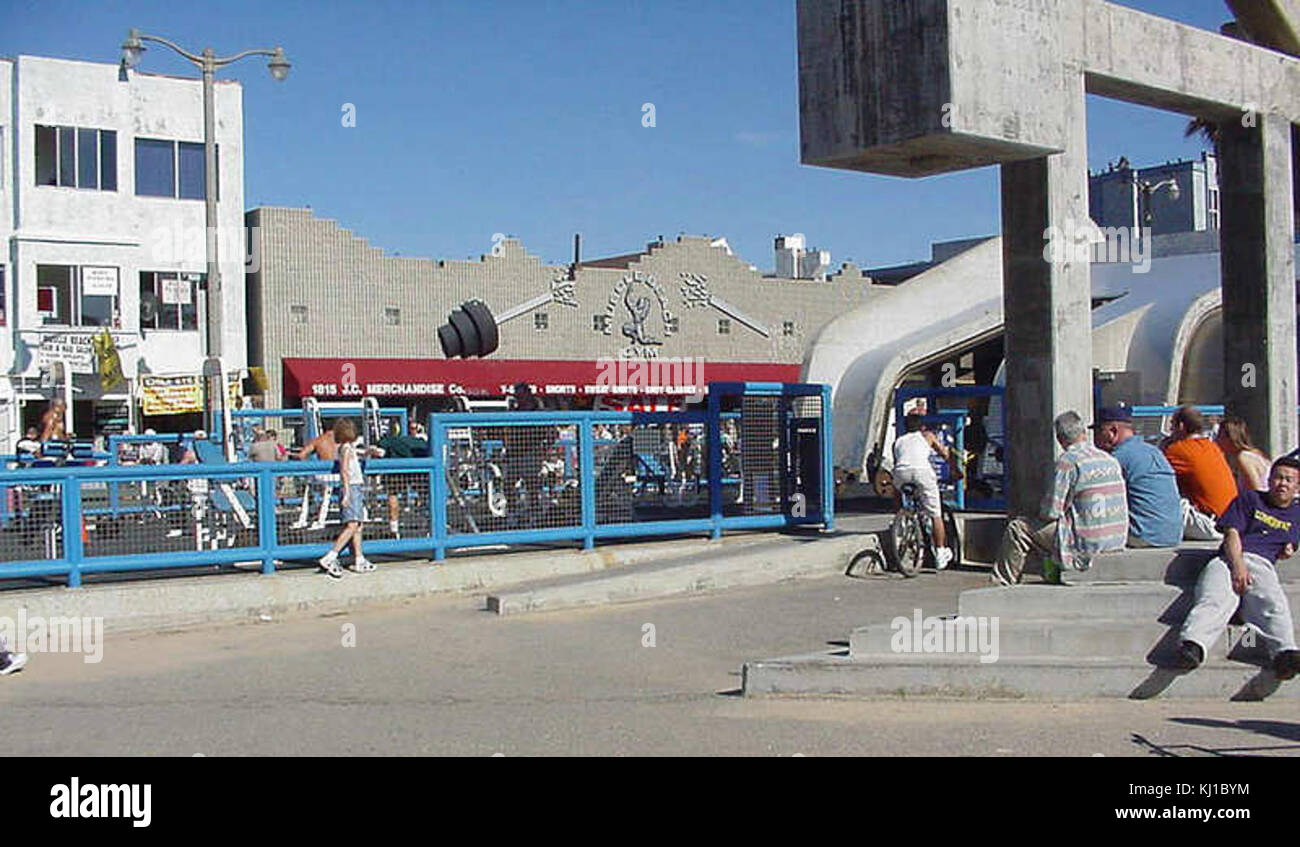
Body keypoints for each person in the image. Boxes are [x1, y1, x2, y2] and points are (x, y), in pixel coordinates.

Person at [1176, 456, 1300, 678]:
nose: (1282, 483)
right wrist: (1238, 566)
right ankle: (1192, 646)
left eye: (1289, 480)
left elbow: (1289, 545)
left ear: (1297, 486)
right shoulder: (1249, 499)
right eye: (1278, 478)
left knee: (1272, 602)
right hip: (1229, 559)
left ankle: (1285, 654)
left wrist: (1289, 548)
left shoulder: (1296, 514)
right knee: (1215, 599)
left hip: (1262, 566)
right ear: (1269, 480)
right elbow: (1231, 535)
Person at [992, 411, 1128, 585]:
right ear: (1084, 433)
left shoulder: (1068, 462)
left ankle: (1001, 584)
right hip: (1115, 540)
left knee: (1018, 528)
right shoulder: (1109, 460)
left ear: (1059, 439)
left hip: (1085, 545)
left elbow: (1051, 511)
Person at [1092, 405, 1182, 548]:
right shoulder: (1154, 452)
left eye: (1098, 431)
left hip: (1142, 535)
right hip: (1172, 536)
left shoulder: (1115, 460)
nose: (1095, 438)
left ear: (1112, 431)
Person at [1162, 406, 1238, 540]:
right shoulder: (1212, 446)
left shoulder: (1177, 450)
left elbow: (1154, 472)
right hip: (1231, 521)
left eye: (1172, 425)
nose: (1170, 430)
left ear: (1180, 426)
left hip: (1210, 524)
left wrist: (1163, 445)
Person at [891, 411, 953, 568]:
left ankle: (901, 517)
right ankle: (940, 553)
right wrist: (954, 466)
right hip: (922, 472)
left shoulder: (898, 441)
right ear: (922, 427)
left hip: (901, 472)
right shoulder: (928, 436)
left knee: (897, 489)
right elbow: (944, 454)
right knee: (935, 514)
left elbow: (899, 460)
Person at [318, 418, 372, 577]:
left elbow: (359, 454)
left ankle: (359, 558)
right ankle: (331, 556)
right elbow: (344, 470)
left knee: (358, 525)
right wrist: (347, 492)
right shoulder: (346, 449)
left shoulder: (346, 448)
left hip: (354, 487)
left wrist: (369, 452)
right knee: (352, 525)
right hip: (352, 488)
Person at [367, 427, 430, 537]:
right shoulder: (413, 442)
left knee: (393, 494)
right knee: (426, 495)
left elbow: (378, 453)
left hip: (406, 463)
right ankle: (430, 525)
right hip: (419, 462)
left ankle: (394, 529)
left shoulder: (385, 445)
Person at [294, 426, 340, 529]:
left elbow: (302, 455)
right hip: (339, 475)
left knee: (309, 486)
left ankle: (308, 517)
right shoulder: (342, 440)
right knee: (325, 491)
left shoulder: (319, 440)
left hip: (323, 475)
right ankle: (318, 516)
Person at [1216, 416, 1271, 494]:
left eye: (1219, 435)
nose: (1216, 440)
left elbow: (1257, 489)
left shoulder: (1244, 457)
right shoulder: (1256, 454)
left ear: (1230, 437)